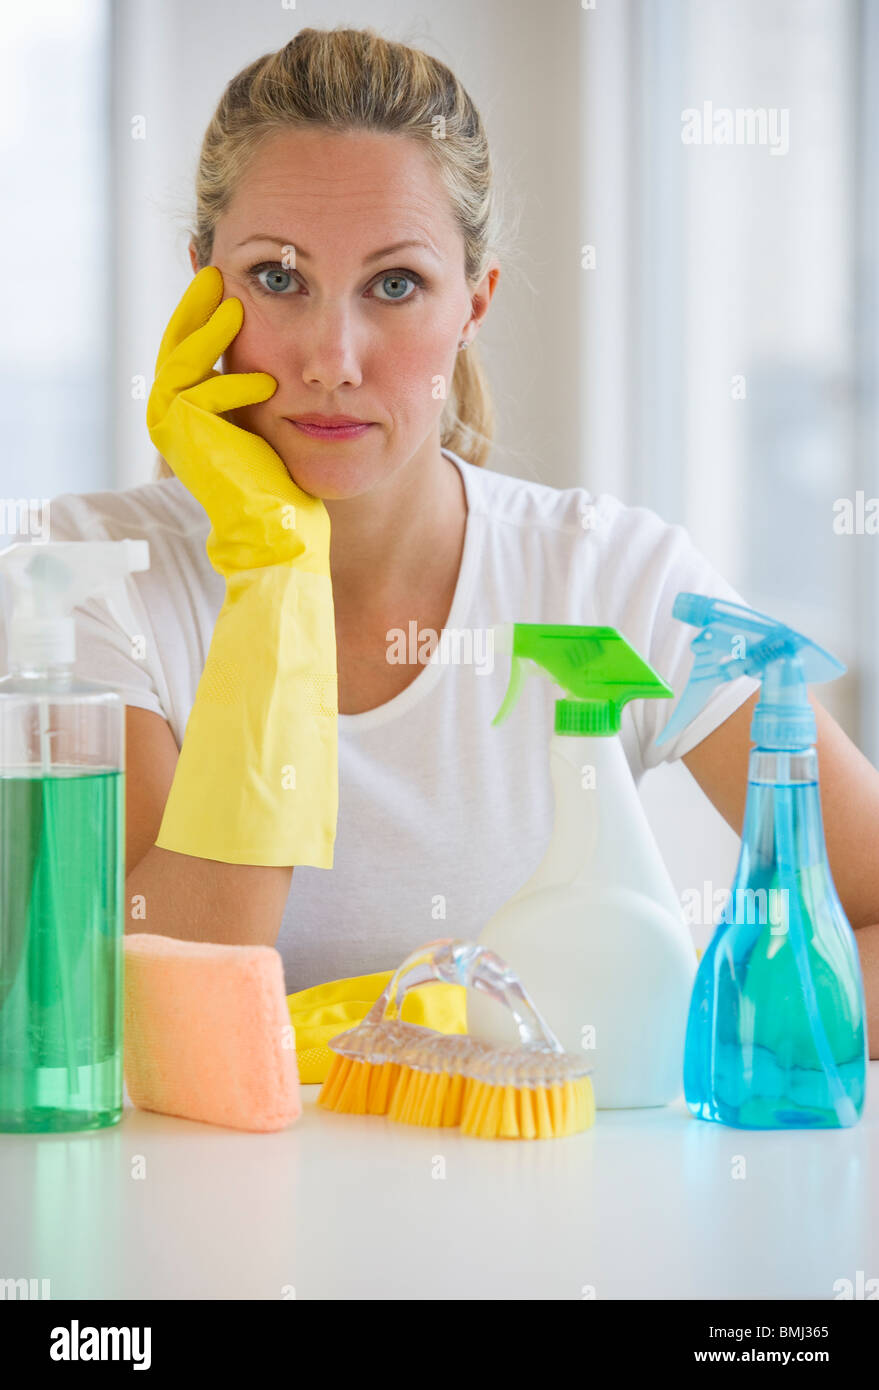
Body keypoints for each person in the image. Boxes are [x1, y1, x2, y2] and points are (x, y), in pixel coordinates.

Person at [24, 27, 879, 1050]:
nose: (332, 358)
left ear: (474, 302)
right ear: (200, 283)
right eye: (278, 278)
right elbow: (138, 1017)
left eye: (395, 285)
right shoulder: (92, 579)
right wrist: (272, 570)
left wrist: (676, 1040)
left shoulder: (610, 577)